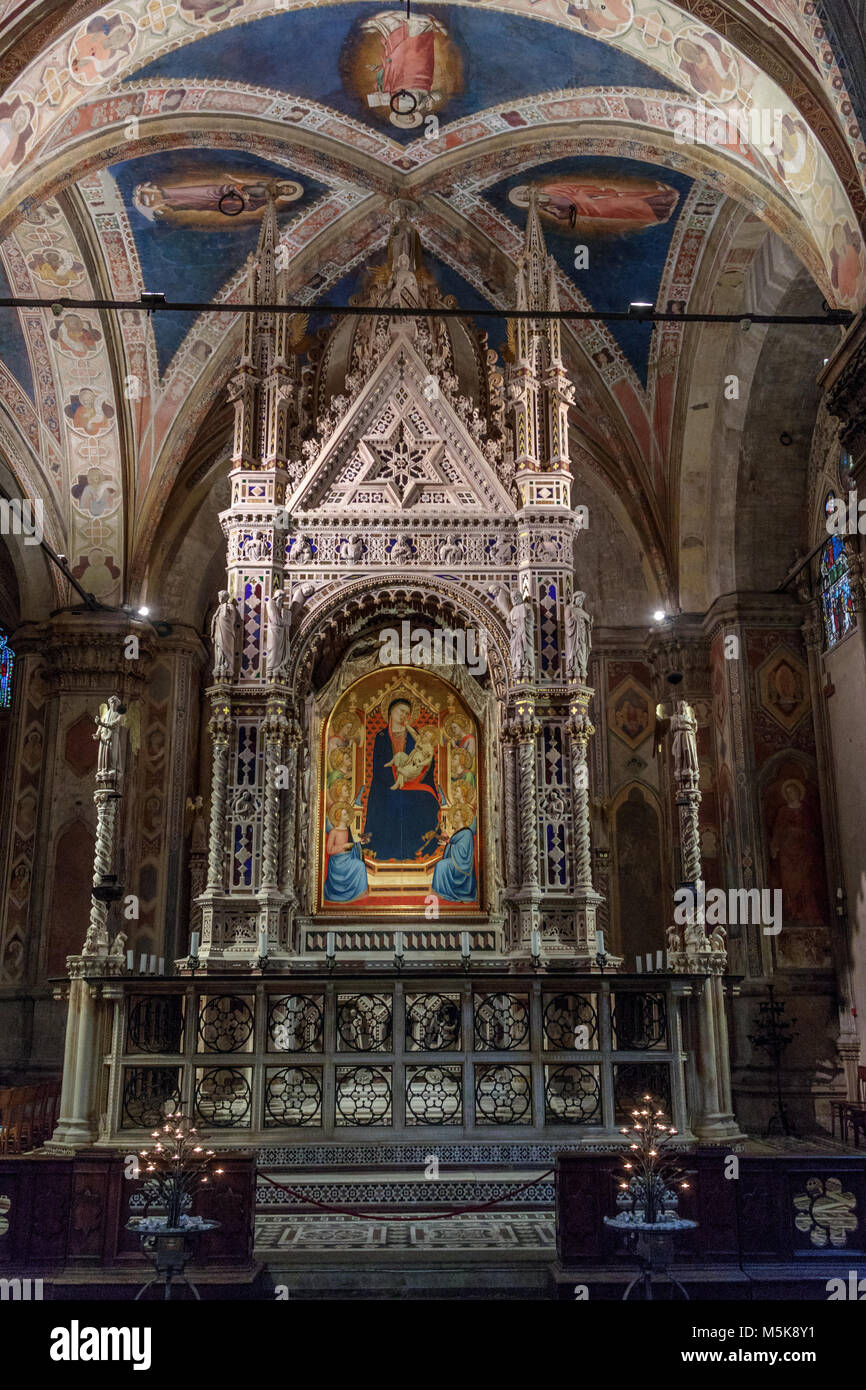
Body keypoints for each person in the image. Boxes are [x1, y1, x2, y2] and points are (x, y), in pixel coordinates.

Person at [363, 699, 440, 860]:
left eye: (407, 712)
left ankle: (416, 850)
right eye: (401, 711)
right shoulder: (382, 736)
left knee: (424, 799)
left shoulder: (416, 736)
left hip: (414, 781)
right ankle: (387, 852)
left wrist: (413, 776)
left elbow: (428, 762)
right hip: (386, 783)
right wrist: (395, 778)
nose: (404, 714)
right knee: (392, 800)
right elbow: (378, 765)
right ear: (391, 712)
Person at [431, 806, 477, 903]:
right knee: (441, 865)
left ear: (462, 817)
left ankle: (443, 891)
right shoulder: (458, 831)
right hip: (457, 860)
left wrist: (448, 844)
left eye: (457, 815)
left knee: (441, 865)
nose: (454, 816)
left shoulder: (467, 832)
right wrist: (446, 840)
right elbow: (452, 842)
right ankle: (440, 891)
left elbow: (463, 851)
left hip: (463, 864)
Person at [323, 807, 369, 903]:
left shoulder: (348, 830)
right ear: (339, 817)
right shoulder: (334, 832)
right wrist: (344, 846)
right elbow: (329, 850)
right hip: (338, 862)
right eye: (345, 814)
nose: (347, 815)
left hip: (348, 859)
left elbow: (351, 845)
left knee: (360, 865)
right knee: (360, 865)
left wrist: (360, 842)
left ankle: (359, 892)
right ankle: (352, 892)